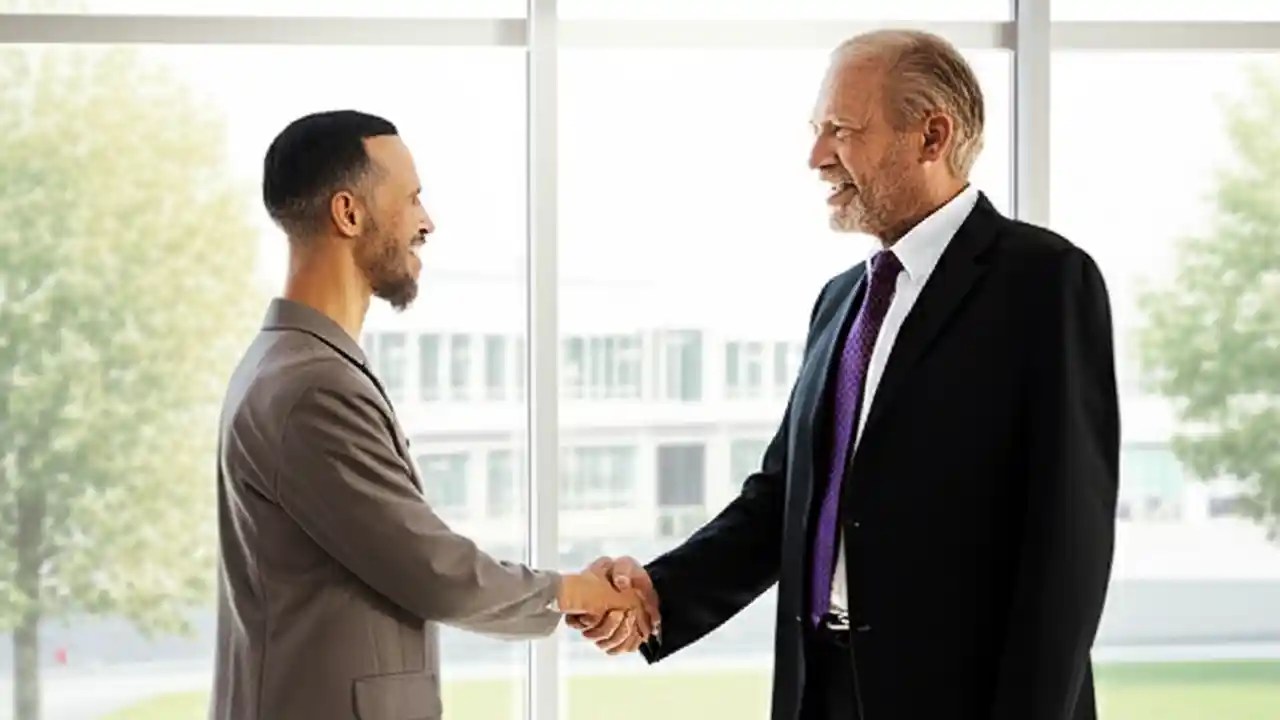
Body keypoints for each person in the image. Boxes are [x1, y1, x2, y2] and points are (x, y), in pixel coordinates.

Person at [570, 29, 1120, 720]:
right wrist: (656, 594)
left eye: (841, 130)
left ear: (931, 136)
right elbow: (785, 502)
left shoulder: (1042, 282)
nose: (817, 156)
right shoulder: (842, 300)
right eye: (816, 129)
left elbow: (1067, 542)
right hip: (821, 691)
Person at [210, 110, 653, 720]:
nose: (427, 222)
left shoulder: (291, 365)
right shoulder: (311, 386)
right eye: (412, 199)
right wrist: (571, 592)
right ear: (348, 213)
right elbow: (431, 568)